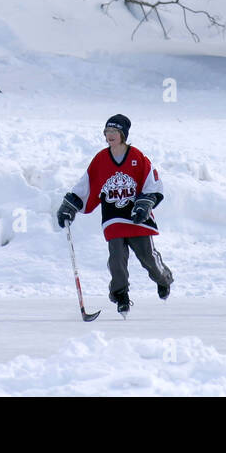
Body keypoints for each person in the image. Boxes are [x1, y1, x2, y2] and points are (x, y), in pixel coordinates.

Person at [57, 114, 173, 317]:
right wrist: (71, 204)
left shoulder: (137, 157)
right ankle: (121, 296)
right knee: (117, 260)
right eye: (107, 132)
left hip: (137, 218)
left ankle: (163, 279)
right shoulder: (101, 159)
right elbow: (87, 185)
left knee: (148, 259)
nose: (110, 135)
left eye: (114, 132)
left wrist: (145, 203)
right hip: (113, 218)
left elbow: (152, 184)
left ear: (123, 135)